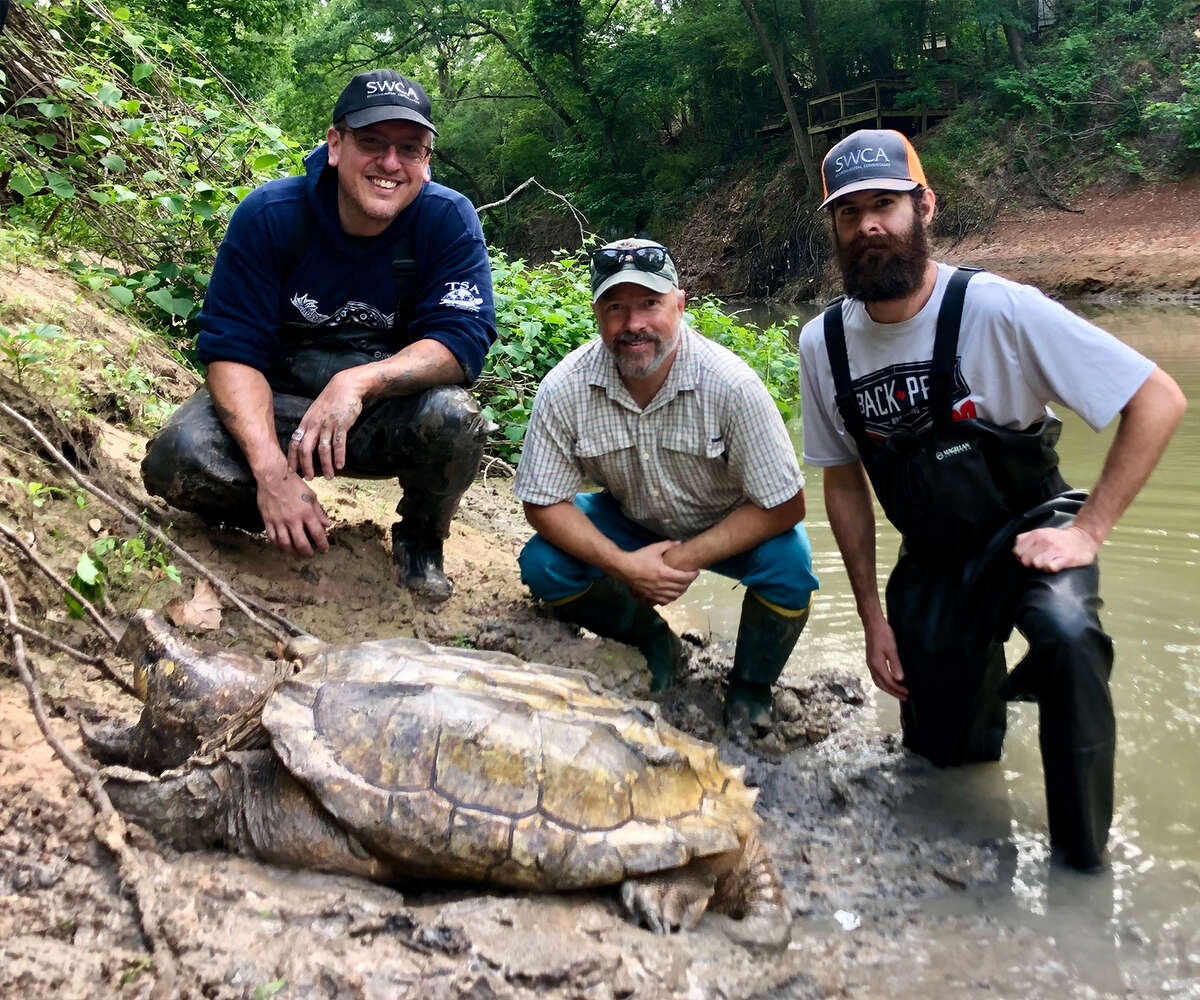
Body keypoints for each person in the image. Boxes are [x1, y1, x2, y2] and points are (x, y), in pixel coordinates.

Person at [798, 129, 1186, 870]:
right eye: (849, 214)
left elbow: (1158, 399)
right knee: (946, 770)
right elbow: (843, 477)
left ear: (925, 207)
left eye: (886, 204)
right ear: (836, 230)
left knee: (1069, 638)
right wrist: (873, 618)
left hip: (1035, 531)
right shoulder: (823, 346)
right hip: (934, 562)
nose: (869, 226)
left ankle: (1082, 873)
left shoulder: (1002, 309)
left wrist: (1090, 530)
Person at [142, 69, 496, 602]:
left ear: (427, 161)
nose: (390, 163)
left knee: (456, 419)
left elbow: (464, 338)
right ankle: (282, 509)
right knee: (179, 457)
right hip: (278, 402)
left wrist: (358, 382)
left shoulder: (447, 219)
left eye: (410, 149)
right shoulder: (270, 216)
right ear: (335, 145)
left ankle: (421, 539)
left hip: (378, 411)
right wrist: (270, 472)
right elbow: (231, 350)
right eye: (372, 143)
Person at [514, 238, 820, 736]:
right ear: (597, 314)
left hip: (727, 524)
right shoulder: (564, 388)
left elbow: (785, 505)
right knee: (543, 564)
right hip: (629, 521)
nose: (633, 324)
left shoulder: (732, 386)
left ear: (679, 304)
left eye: (649, 304)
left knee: (791, 566)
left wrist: (682, 560)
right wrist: (625, 565)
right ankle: (653, 638)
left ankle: (751, 687)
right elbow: (543, 502)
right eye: (616, 307)